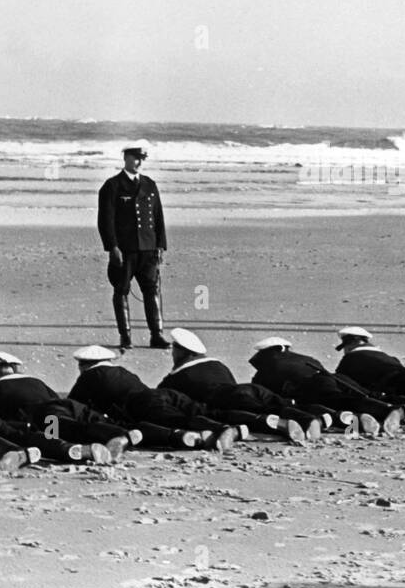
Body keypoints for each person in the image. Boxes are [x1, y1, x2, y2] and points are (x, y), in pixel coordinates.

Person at [159, 328, 323, 443]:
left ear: (181, 351)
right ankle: (310, 419)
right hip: (248, 389)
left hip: (230, 397)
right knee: (278, 405)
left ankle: (278, 424)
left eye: (175, 350)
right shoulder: (218, 365)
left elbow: (167, 396)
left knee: (240, 414)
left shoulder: (178, 376)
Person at [67, 345, 244, 451]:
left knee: (176, 420)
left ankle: (221, 429)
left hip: (143, 402)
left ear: (83, 365)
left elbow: (74, 405)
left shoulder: (89, 376)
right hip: (161, 394)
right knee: (199, 410)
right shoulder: (121, 371)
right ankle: (232, 425)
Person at [248, 337, 405, 433]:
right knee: (366, 395)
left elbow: (268, 393)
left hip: (312, 386)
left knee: (339, 402)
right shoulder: (306, 358)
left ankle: (381, 414)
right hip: (336, 377)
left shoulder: (268, 368)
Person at [0, 351, 135, 461]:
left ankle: (73, 451)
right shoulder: (35, 381)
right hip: (62, 408)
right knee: (78, 427)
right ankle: (119, 435)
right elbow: (55, 398)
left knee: (51, 437)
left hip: (44, 418)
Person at [98, 141, 169, 350]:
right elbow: (105, 220)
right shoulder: (112, 186)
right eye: (134, 158)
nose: (138, 162)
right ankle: (126, 336)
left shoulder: (149, 184)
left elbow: (158, 217)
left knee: (152, 290)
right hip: (125, 249)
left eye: (141, 159)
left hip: (148, 247)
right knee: (121, 290)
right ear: (125, 158)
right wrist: (112, 247)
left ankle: (157, 335)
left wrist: (160, 245)